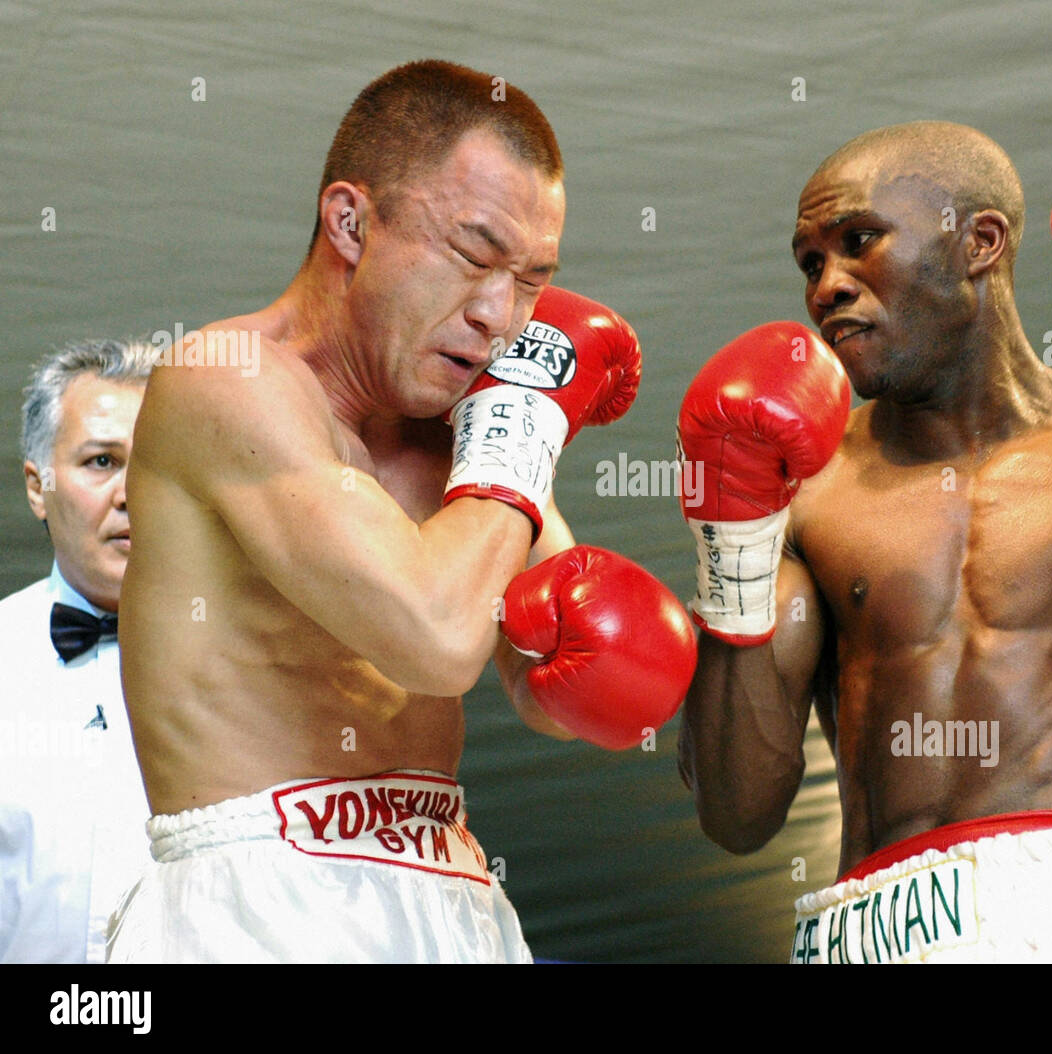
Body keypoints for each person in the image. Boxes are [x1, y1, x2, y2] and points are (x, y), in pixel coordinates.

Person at [107, 59, 695, 964]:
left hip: (451, 894)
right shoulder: (226, 379)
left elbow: (549, 681)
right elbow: (436, 637)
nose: (501, 314)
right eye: (473, 255)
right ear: (351, 221)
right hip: (260, 899)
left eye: (534, 280)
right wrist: (525, 424)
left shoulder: (467, 431)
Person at [677, 122, 1052, 963]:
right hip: (857, 927)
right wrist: (731, 548)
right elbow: (736, 813)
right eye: (810, 263)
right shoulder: (805, 490)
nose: (827, 286)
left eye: (859, 241)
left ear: (981, 243)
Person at [0, 338, 155, 963]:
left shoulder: (273, 665)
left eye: (156, 463)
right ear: (39, 488)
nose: (132, 493)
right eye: (100, 461)